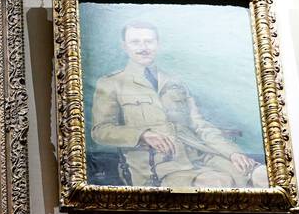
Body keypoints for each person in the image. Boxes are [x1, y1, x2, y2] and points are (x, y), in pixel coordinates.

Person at [91, 20, 267, 189]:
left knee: (262, 175)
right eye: (135, 42)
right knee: (218, 182)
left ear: (157, 44)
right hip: (158, 165)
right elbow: (101, 131)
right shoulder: (111, 83)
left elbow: (199, 125)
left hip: (200, 155)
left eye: (149, 41)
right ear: (125, 46)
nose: (143, 48)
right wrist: (142, 134)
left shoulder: (174, 82)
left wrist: (232, 152)